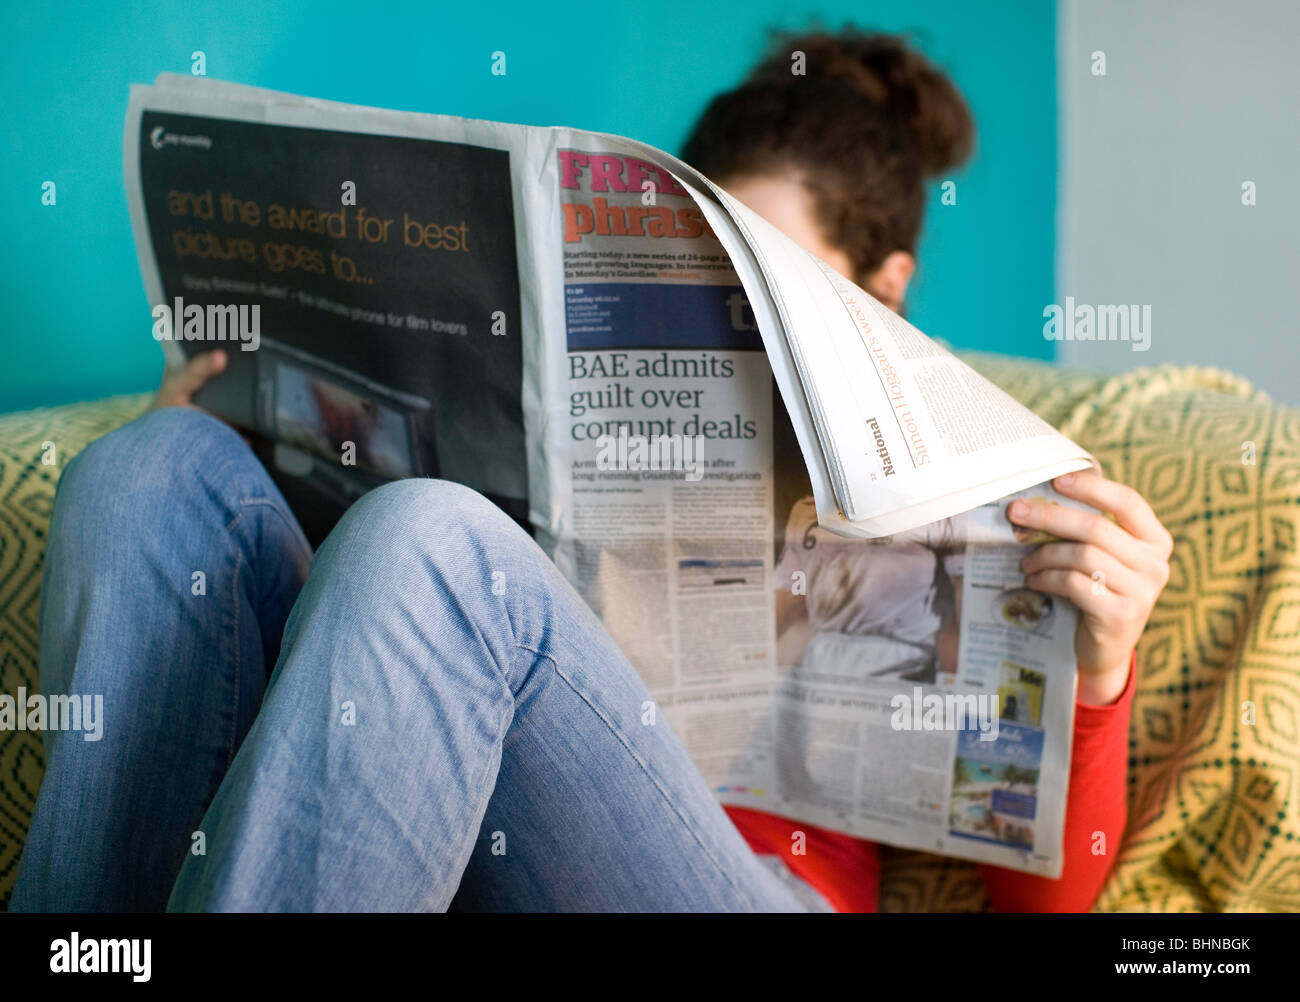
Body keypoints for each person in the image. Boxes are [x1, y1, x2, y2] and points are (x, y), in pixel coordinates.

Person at [10, 30, 1171, 913]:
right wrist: (240, 428)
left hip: (752, 888)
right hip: (473, 853)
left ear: (883, 288)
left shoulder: (987, 474)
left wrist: (1099, 673)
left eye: (772, 290)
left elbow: (1048, 908)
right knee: (148, 474)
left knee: (441, 543)